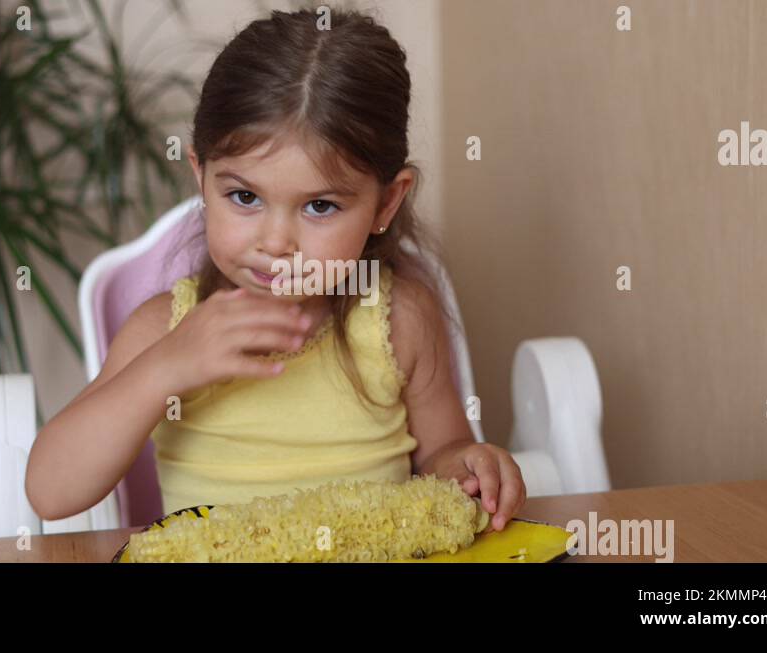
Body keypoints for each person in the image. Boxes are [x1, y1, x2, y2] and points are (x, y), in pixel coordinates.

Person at [26, 7, 526, 533]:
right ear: (202, 180)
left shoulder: (399, 319)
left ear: (385, 204)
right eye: (244, 196)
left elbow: (442, 455)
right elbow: (51, 492)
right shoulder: (164, 330)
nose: (275, 242)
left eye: (320, 206)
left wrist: (468, 467)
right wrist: (166, 368)